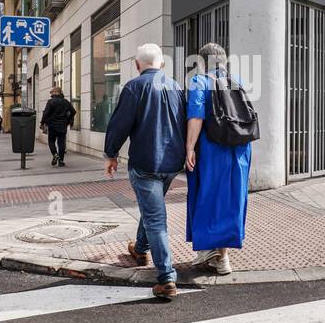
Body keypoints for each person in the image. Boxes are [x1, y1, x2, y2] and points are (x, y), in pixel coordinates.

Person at [104, 43, 186, 299]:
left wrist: (111, 154)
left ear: (137, 65)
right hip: (172, 162)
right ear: (162, 64)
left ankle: (166, 277)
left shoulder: (134, 86)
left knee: (155, 218)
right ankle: (140, 249)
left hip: (145, 162)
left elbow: (120, 124)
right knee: (153, 207)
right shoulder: (175, 87)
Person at [184, 43, 251, 276]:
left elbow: (195, 116)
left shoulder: (199, 81)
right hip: (239, 149)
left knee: (207, 194)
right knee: (231, 199)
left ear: (202, 62)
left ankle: (215, 253)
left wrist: (189, 147)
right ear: (224, 61)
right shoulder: (238, 81)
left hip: (212, 149)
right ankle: (218, 255)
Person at [39, 86, 76, 167]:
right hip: (62, 125)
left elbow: (46, 113)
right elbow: (73, 111)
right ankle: (61, 161)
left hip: (52, 125)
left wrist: (42, 122)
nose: (50, 94)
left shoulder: (51, 102)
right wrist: (68, 120)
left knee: (51, 141)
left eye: (51, 92)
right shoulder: (65, 102)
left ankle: (55, 154)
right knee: (61, 143)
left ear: (55, 93)